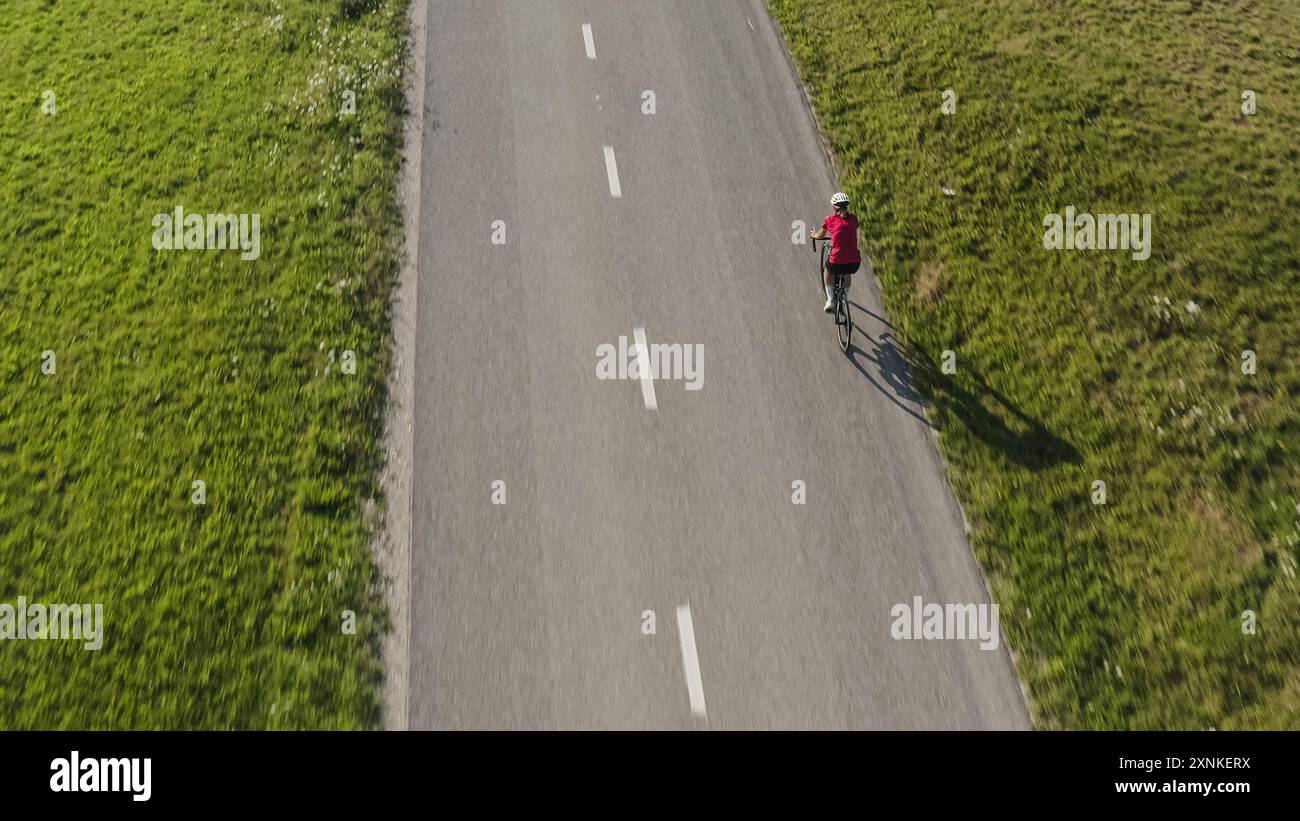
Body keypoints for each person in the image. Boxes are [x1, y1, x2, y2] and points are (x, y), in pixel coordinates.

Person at [811, 192, 861, 312]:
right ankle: (846, 297)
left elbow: (819, 235)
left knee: (828, 270)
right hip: (855, 262)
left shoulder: (830, 220)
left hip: (837, 261)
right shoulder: (854, 219)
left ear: (834, 207)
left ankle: (830, 300)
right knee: (846, 272)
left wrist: (814, 234)